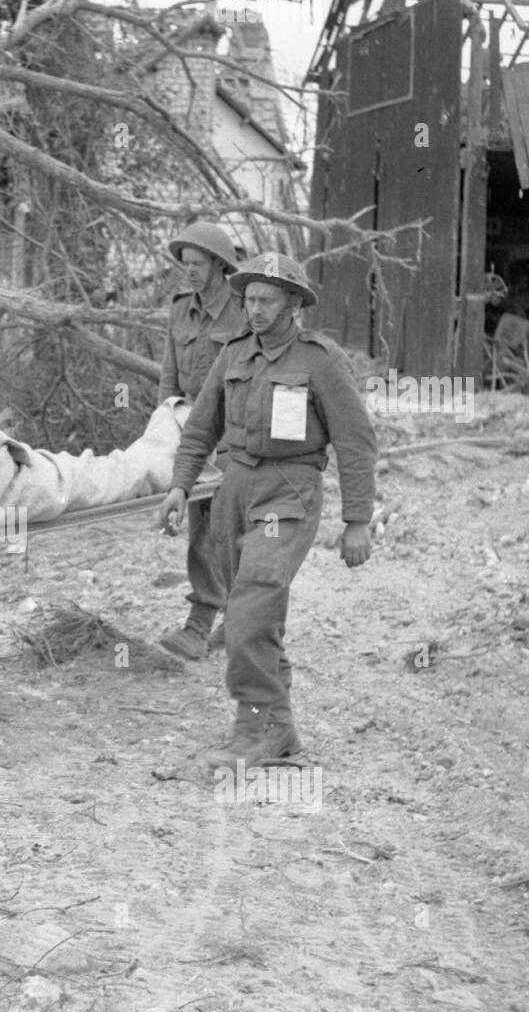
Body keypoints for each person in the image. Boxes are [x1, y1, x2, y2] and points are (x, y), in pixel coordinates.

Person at [157, 252, 376, 770]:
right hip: (233, 490)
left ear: (294, 303)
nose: (254, 308)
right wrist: (178, 487)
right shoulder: (232, 355)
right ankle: (280, 731)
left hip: (289, 491)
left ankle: (250, 731)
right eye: (249, 298)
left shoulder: (319, 361)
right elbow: (199, 428)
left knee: (251, 607)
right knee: (251, 612)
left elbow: (355, 440)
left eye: (267, 299)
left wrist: (357, 520)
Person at [157, 222, 246, 660]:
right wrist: (164, 429)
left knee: (229, 529)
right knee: (202, 529)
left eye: (198, 263)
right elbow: (169, 379)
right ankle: (203, 623)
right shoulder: (178, 310)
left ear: (218, 264)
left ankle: (229, 620)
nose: (189, 271)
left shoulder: (246, 310)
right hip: (193, 430)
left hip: (237, 434)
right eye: (185, 263)